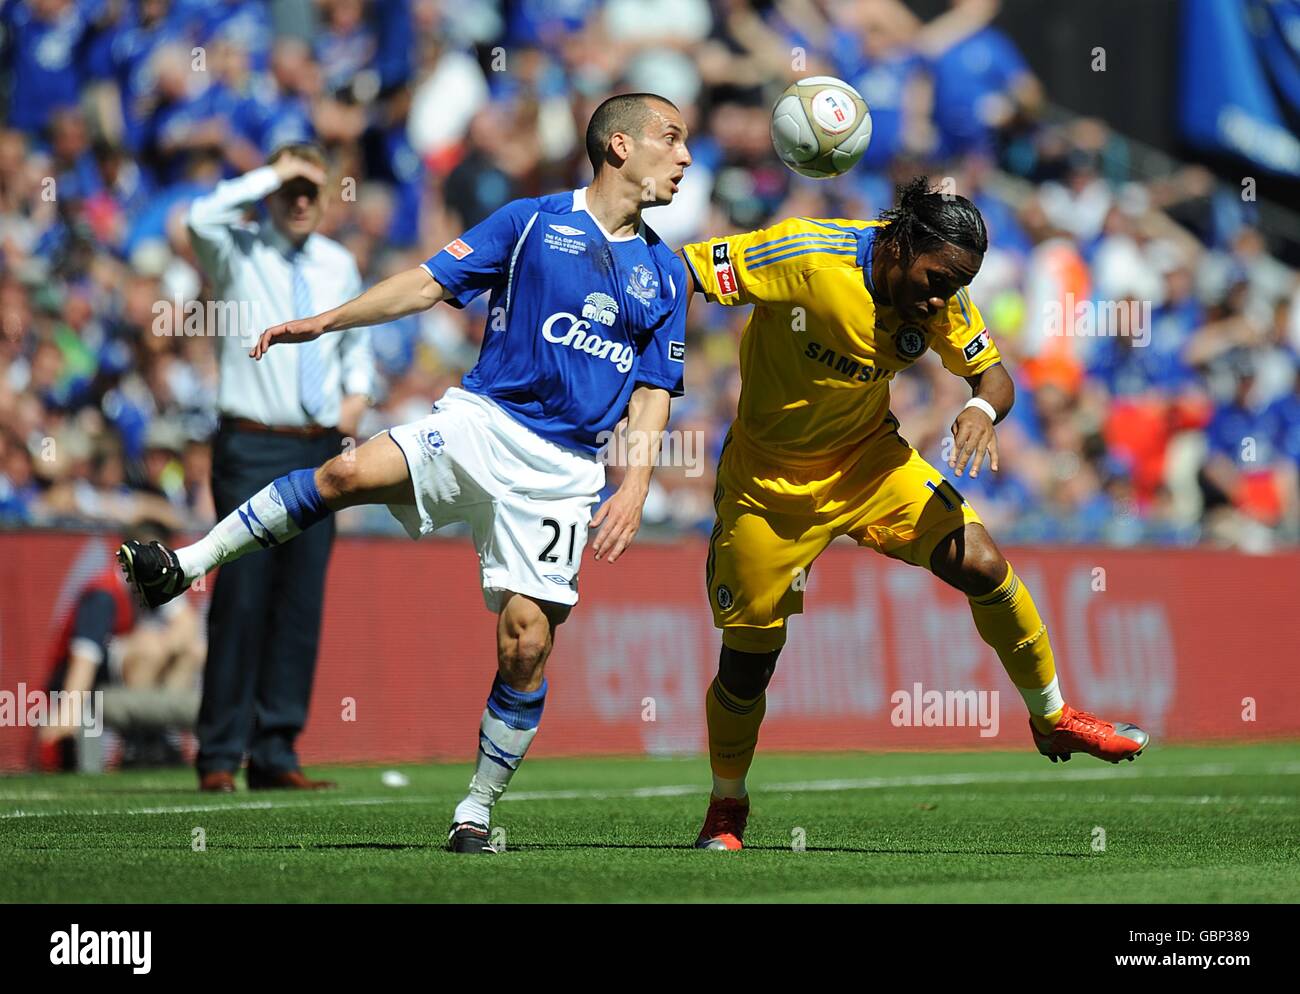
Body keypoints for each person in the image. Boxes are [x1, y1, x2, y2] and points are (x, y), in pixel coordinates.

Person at [119, 92, 693, 852]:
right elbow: (427, 282)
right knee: (344, 475)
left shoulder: (667, 271)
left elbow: (653, 394)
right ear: (618, 146)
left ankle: (477, 809)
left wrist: (637, 481)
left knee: (525, 645)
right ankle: (182, 564)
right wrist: (327, 321)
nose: (686, 157)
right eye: (672, 140)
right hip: (480, 424)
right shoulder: (529, 223)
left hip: (562, 471)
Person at [678, 177, 1149, 851]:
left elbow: (995, 376)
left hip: (871, 462)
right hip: (768, 485)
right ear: (899, 243)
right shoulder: (807, 257)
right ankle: (727, 806)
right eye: (934, 280)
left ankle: (1053, 716)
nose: (939, 299)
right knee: (750, 663)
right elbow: (687, 270)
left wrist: (980, 409)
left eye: (955, 286)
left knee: (983, 563)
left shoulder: (939, 301)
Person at [180, 141, 375, 793]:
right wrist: (271, 172)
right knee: (242, 595)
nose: (298, 201)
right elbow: (198, 218)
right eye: (290, 189)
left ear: (325, 201)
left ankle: (274, 748)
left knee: (299, 600)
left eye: (310, 191)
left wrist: (356, 398)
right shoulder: (239, 250)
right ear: (269, 190)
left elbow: (356, 344)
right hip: (251, 442)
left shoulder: (337, 262)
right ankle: (217, 753)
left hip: (319, 447)